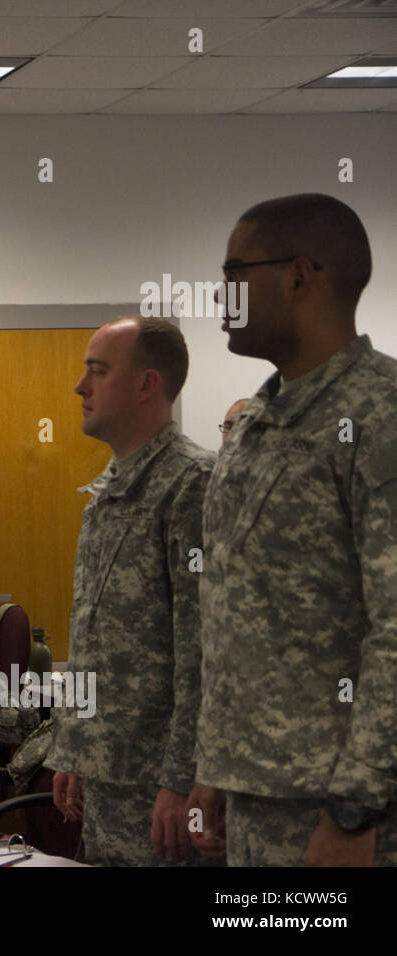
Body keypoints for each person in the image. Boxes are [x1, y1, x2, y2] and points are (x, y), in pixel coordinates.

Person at [188, 193, 396, 866]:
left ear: (300, 275)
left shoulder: (379, 413)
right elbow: (234, 606)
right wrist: (218, 766)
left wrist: (355, 807)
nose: (221, 295)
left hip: (341, 808)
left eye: (234, 274)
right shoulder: (259, 419)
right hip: (257, 791)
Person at [47, 318, 214, 866]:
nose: (79, 386)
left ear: (146, 385)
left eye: (97, 371)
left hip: (159, 787)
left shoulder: (192, 485)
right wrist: (74, 745)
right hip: (108, 776)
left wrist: (181, 778)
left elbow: (203, 650)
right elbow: (95, 634)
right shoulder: (110, 490)